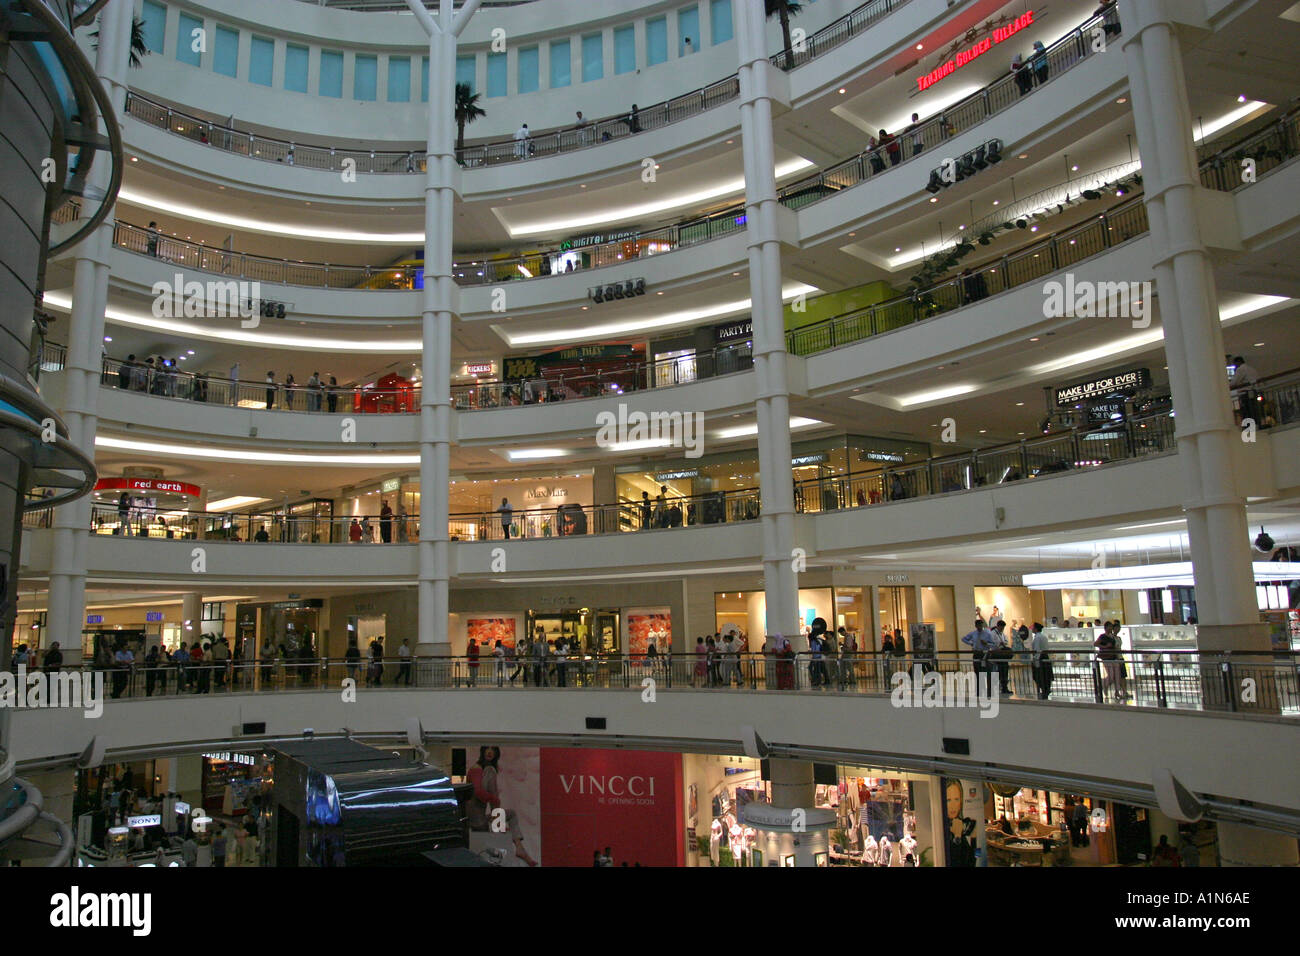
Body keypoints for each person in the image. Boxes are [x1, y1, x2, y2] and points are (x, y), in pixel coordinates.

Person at [466, 747, 537, 866]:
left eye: (492, 749)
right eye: (487, 749)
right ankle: (499, 826)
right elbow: (478, 792)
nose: (490, 752)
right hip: (476, 820)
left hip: (480, 818)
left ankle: (519, 847)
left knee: (511, 814)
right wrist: (495, 800)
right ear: (483, 751)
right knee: (491, 770)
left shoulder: (485, 770)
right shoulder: (477, 769)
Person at [961, 619, 999, 694]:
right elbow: (964, 639)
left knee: (986, 672)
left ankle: (989, 690)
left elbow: (993, 644)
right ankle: (979, 690)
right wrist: (971, 643)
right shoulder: (973, 633)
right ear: (976, 626)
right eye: (978, 625)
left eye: (981, 625)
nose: (980, 626)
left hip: (984, 654)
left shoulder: (987, 634)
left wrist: (986, 643)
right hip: (976, 653)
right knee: (977, 672)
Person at [1095, 622, 1128, 700]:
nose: (1110, 628)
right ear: (1105, 628)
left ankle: (1117, 692)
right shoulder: (1102, 636)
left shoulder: (1113, 637)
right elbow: (1096, 644)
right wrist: (1105, 647)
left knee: (1117, 675)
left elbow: (1115, 646)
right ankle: (1104, 686)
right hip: (1106, 658)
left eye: (1111, 627)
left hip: (1114, 657)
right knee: (1111, 675)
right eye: (1109, 627)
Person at [1030, 622, 1053, 699]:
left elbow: (1037, 650)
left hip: (1040, 658)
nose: (1032, 629)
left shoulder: (1037, 638)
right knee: (1046, 675)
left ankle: (1043, 690)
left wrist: (1035, 660)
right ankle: (1046, 690)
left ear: (1036, 629)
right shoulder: (1044, 636)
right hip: (1045, 657)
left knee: (1040, 676)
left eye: (1033, 628)